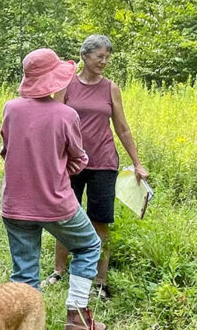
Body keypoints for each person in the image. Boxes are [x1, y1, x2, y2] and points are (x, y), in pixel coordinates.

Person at [0, 48, 107, 330]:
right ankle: (77, 318)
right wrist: (60, 168)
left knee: (24, 272)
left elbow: (6, 151)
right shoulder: (66, 115)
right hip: (55, 203)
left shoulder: (11, 108)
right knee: (87, 246)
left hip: (15, 204)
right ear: (55, 81)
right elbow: (79, 159)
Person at [44, 34, 147, 300]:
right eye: (100, 56)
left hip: (103, 162)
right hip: (71, 163)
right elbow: (54, 122)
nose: (104, 62)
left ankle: (100, 280)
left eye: (107, 57)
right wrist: (50, 159)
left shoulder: (111, 88)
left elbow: (122, 127)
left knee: (101, 220)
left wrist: (137, 162)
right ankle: (58, 270)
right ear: (85, 56)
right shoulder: (67, 85)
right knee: (66, 216)